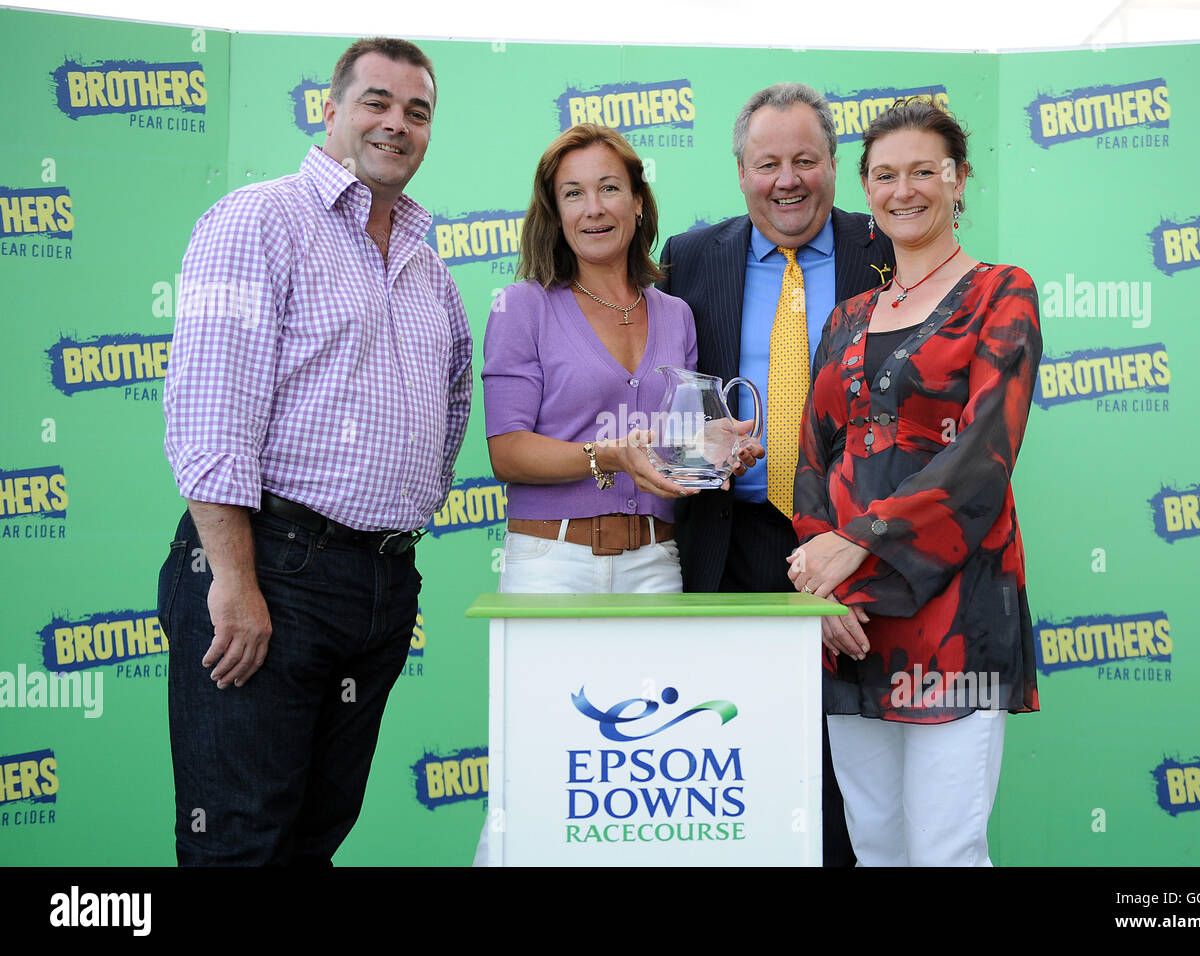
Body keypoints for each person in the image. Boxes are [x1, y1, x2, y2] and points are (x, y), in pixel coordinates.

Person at [159, 37, 473, 865]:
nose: (396, 124)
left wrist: (405, 518)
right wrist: (232, 579)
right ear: (328, 110)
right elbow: (210, 413)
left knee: (312, 841)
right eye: (375, 101)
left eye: (417, 111)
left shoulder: (427, 266)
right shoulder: (259, 219)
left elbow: (450, 400)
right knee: (241, 843)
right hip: (269, 569)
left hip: (377, 583)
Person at [788, 96, 1042, 866]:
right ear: (865, 189)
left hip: (957, 617)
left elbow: (983, 458)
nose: (905, 191)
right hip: (851, 626)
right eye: (885, 175)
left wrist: (853, 548)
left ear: (958, 179)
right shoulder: (846, 318)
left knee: (946, 849)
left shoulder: (1004, 291)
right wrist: (817, 589)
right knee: (877, 847)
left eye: (924, 172)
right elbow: (811, 463)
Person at [657, 82, 894, 866]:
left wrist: (845, 551)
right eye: (768, 163)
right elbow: (663, 395)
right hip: (730, 545)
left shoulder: (886, 247)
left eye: (805, 160)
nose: (786, 180)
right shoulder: (691, 258)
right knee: (728, 771)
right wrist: (698, 447)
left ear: (835, 165)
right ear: (740, 172)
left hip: (852, 550)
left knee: (845, 785)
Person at [483, 123, 746, 594]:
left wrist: (720, 451)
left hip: (656, 562)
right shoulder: (521, 306)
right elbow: (507, 453)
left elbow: (675, 447)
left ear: (638, 201)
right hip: (550, 564)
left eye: (609, 188)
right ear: (556, 212)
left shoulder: (677, 315)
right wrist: (608, 456)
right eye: (573, 194)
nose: (594, 209)